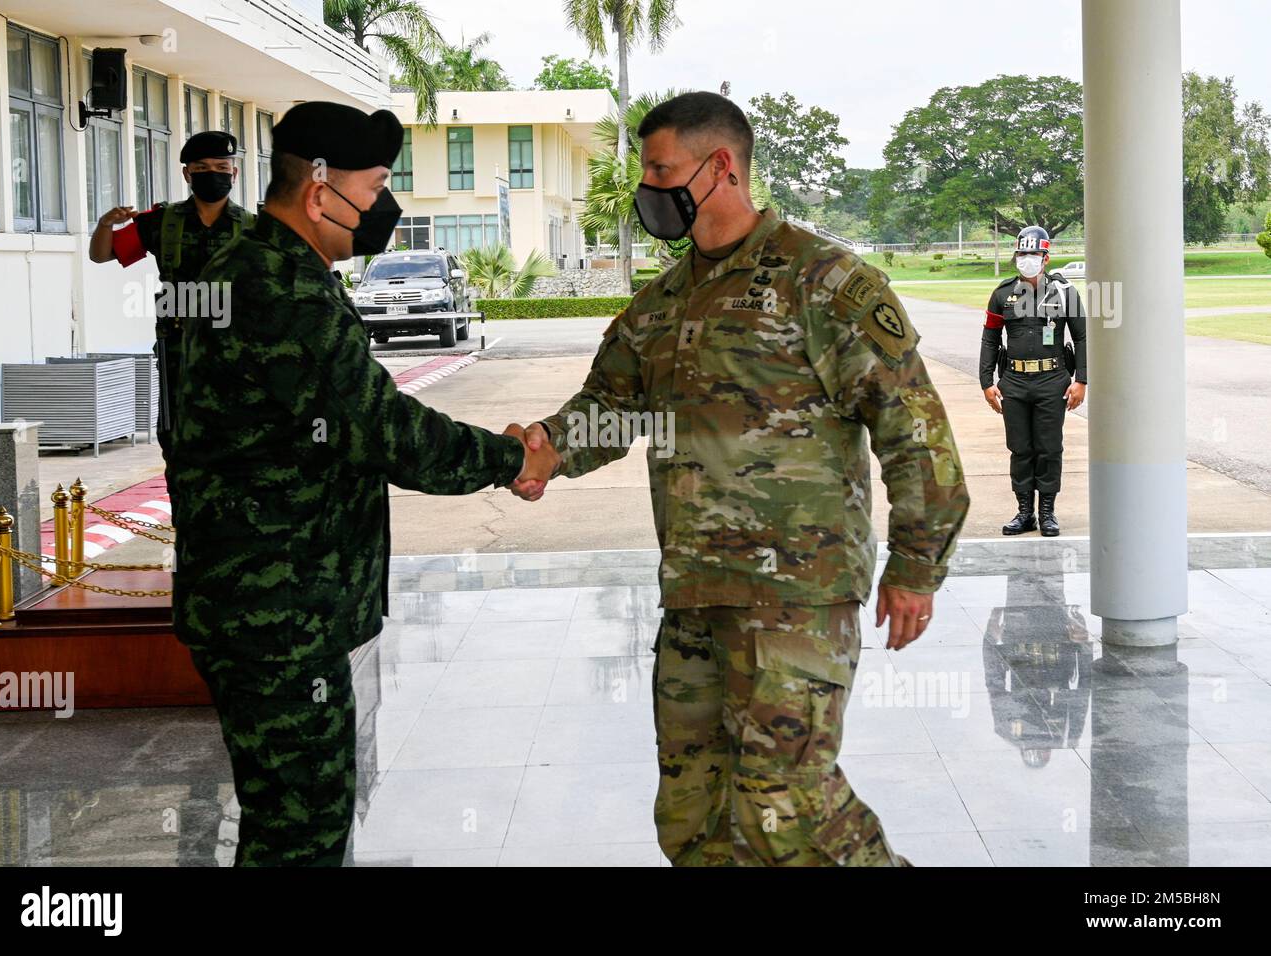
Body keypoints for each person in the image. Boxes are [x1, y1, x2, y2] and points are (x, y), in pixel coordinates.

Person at [509, 92, 970, 866]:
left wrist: (917, 566)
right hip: (693, 595)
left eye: (660, 169)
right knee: (694, 815)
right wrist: (545, 450)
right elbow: (611, 408)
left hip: (796, 597)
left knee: (787, 807)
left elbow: (914, 430)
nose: (648, 187)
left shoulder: (823, 282)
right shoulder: (662, 304)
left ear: (719, 167)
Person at [171, 101, 559, 866]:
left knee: (285, 822)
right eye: (376, 184)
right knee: (301, 836)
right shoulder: (279, 289)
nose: (384, 204)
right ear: (319, 191)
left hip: (258, 602)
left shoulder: (248, 266)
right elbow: (386, 433)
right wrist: (513, 459)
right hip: (276, 615)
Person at [88, 131, 255, 478]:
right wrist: (106, 223)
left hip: (238, 353)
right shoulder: (163, 222)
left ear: (234, 173)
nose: (214, 173)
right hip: (179, 352)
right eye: (203, 167)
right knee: (178, 440)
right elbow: (102, 254)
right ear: (187, 174)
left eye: (222, 166)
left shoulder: (256, 228)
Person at [979, 226, 1087, 536]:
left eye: (1034, 254)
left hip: (1053, 381)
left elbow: (1081, 337)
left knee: (1049, 448)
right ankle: (1025, 512)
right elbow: (990, 338)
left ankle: (1048, 512)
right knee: (1020, 449)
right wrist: (986, 381)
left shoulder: (1065, 293)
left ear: (1046, 257)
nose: (1027, 259)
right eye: (1022, 254)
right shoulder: (1003, 293)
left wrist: (1081, 379)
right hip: (1013, 381)